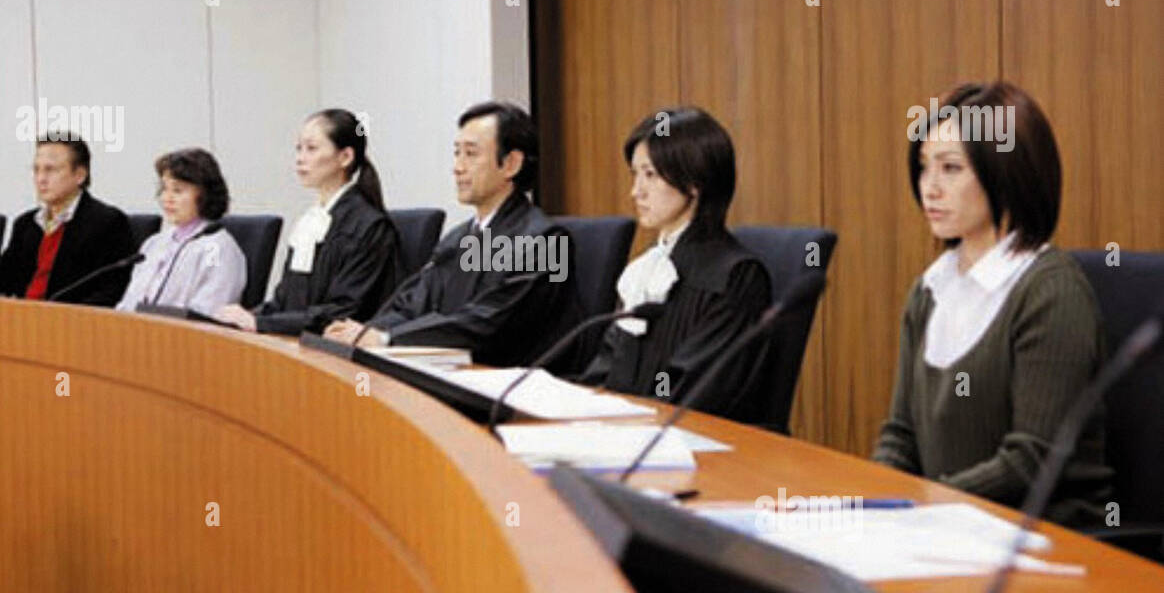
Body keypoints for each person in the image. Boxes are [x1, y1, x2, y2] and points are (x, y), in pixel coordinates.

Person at [871, 81, 1112, 526]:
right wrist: (878, 503)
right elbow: (900, 436)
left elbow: (1030, 461)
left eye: (950, 169)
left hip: (1039, 540)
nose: (930, 188)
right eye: (924, 168)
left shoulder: (1051, 293)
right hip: (944, 528)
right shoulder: (930, 288)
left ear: (1005, 172)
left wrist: (922, 505)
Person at [323, 101, 579, 366]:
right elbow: (411, 305)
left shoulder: (547, 241)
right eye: (456, 153)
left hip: (505, 387)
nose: (458, 166)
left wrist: (387, 338)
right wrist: (363, 333)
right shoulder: (458, 240)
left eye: (471, 154)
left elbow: (484, 323)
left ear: (511, 164)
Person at [576, 108, 772, 420]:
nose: (635, 191)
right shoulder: (643, 271)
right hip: (626, 436)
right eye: (635, 174)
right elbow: (606, 371)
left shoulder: (736, 276)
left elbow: (690, 393)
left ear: (694, 182)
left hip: (694, 450)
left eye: (650, 175)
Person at [215, 110, 401, 335]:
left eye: (311, 149)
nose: (300, 158)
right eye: (299, 148)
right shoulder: (310, 221)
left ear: (345, 157)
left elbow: (343, 311)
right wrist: (249, 317)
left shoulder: (368, 226)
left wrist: (263, 324)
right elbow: (284, 300)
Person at [0, 134, 135, 306]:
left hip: (70, 325)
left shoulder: (107, 223)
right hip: (21, 321)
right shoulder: (26, 224)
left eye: (50, 170)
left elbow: (111, 292)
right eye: (36, 170)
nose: (40, 179)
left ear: (80, 175)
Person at [117, 148, 246, 313]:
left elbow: (207, 314)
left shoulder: (217, 249)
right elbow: (128, 304)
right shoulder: (154, 243)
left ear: (205, 195)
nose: (167, 198)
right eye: (164, 189)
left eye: (177, 190)